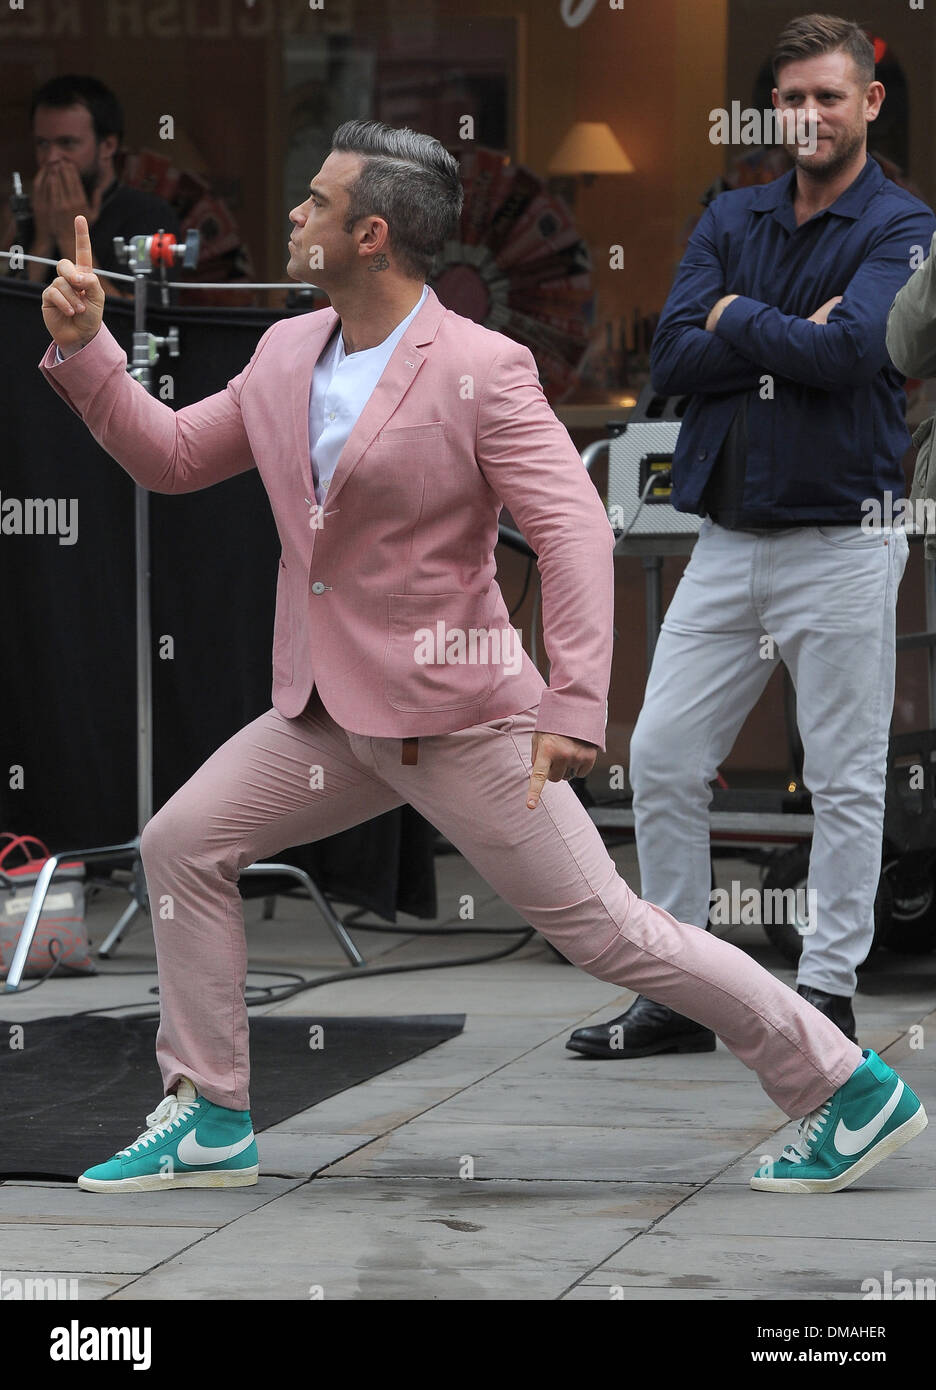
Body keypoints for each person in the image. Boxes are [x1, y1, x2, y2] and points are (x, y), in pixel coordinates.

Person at [37, 119, 925, 1197]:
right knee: (182, 841)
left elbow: (575, 532)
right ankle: (213, 1110)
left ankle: (845, 1086)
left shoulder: (484, 367)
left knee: (614, 934)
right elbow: (174, 459)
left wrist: (575, 704)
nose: (292, 216)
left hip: (463, 721)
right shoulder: (283, 352)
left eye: (313, 202)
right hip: (324, 714)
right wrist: (90, 352)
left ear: (370, 235)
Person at [568, 12, 936, 1061]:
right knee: (662, 753)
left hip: (844, 535)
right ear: (770, 107)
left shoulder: (903, 226)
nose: (809, 114)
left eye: (830, 95)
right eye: (792, 97)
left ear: (867, 102)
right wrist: (759, 326)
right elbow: (675, 357)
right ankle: (682, 989)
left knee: (846, 773)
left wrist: (733, 317)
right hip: (727, 530)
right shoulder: (732, 215)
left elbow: (860, 350)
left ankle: (826, 994)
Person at [2, 74, 179, 298]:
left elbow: (130, 322)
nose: (51, 158)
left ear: (107, 146)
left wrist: (70, 236)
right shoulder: (31, 214)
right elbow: (10, 316)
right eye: (42, 144)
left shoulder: (148, 214)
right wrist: (44, 240)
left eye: (67, 143)